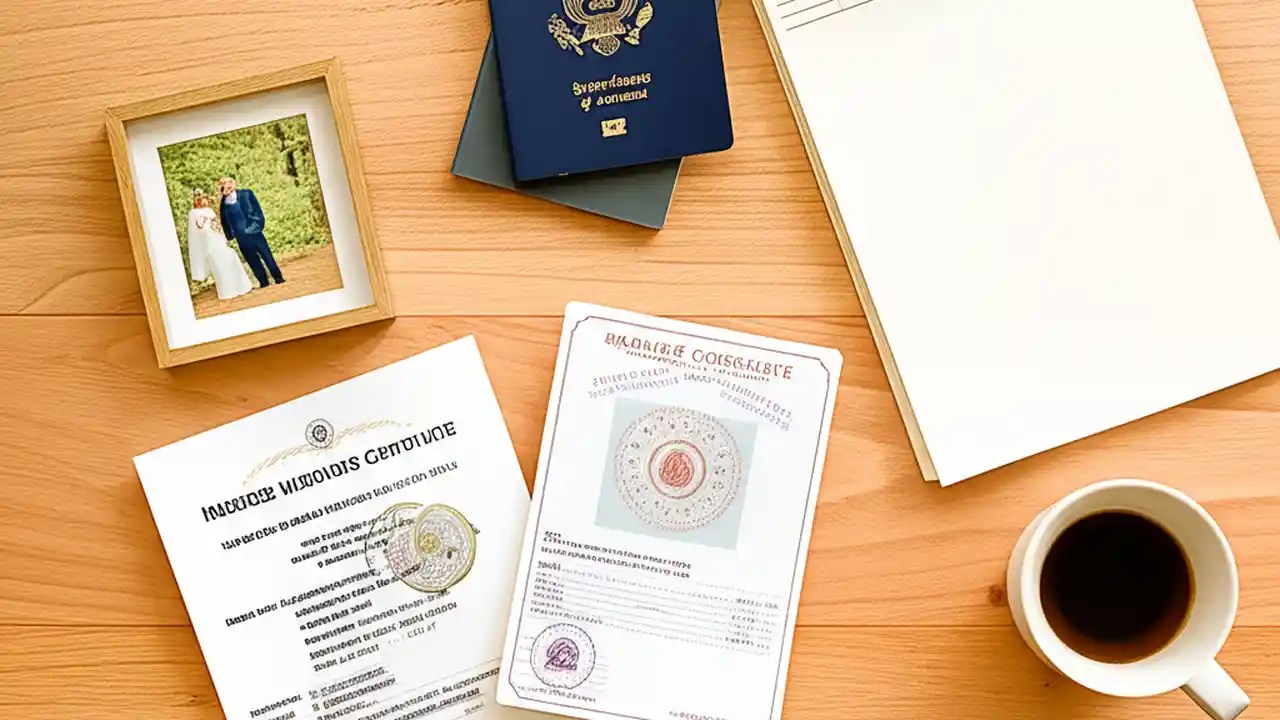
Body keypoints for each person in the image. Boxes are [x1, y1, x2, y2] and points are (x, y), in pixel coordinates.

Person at [218, 177, 285, 288]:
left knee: (267, 255)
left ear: (234, 184)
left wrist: (257, 225)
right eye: (225, 185)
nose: (228, 186)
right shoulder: (224, 203)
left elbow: (257, 210)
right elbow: (224, 220)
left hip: (254, 232)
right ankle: (263, 281)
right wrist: (230, 235)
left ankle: (278, 277)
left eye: (230, 183)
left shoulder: (246, 194)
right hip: (241, 237)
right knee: (252, 260)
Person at [188, 190, 252, 300]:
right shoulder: (198, 214)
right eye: (203, 200)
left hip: (216, 237)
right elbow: (200, 226)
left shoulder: (208, 211)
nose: (206, 202)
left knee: (230, 257)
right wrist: (205, 218)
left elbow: (216, 223)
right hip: (210, 240)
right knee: (220, 264)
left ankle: (239, 286)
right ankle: (228, 290)